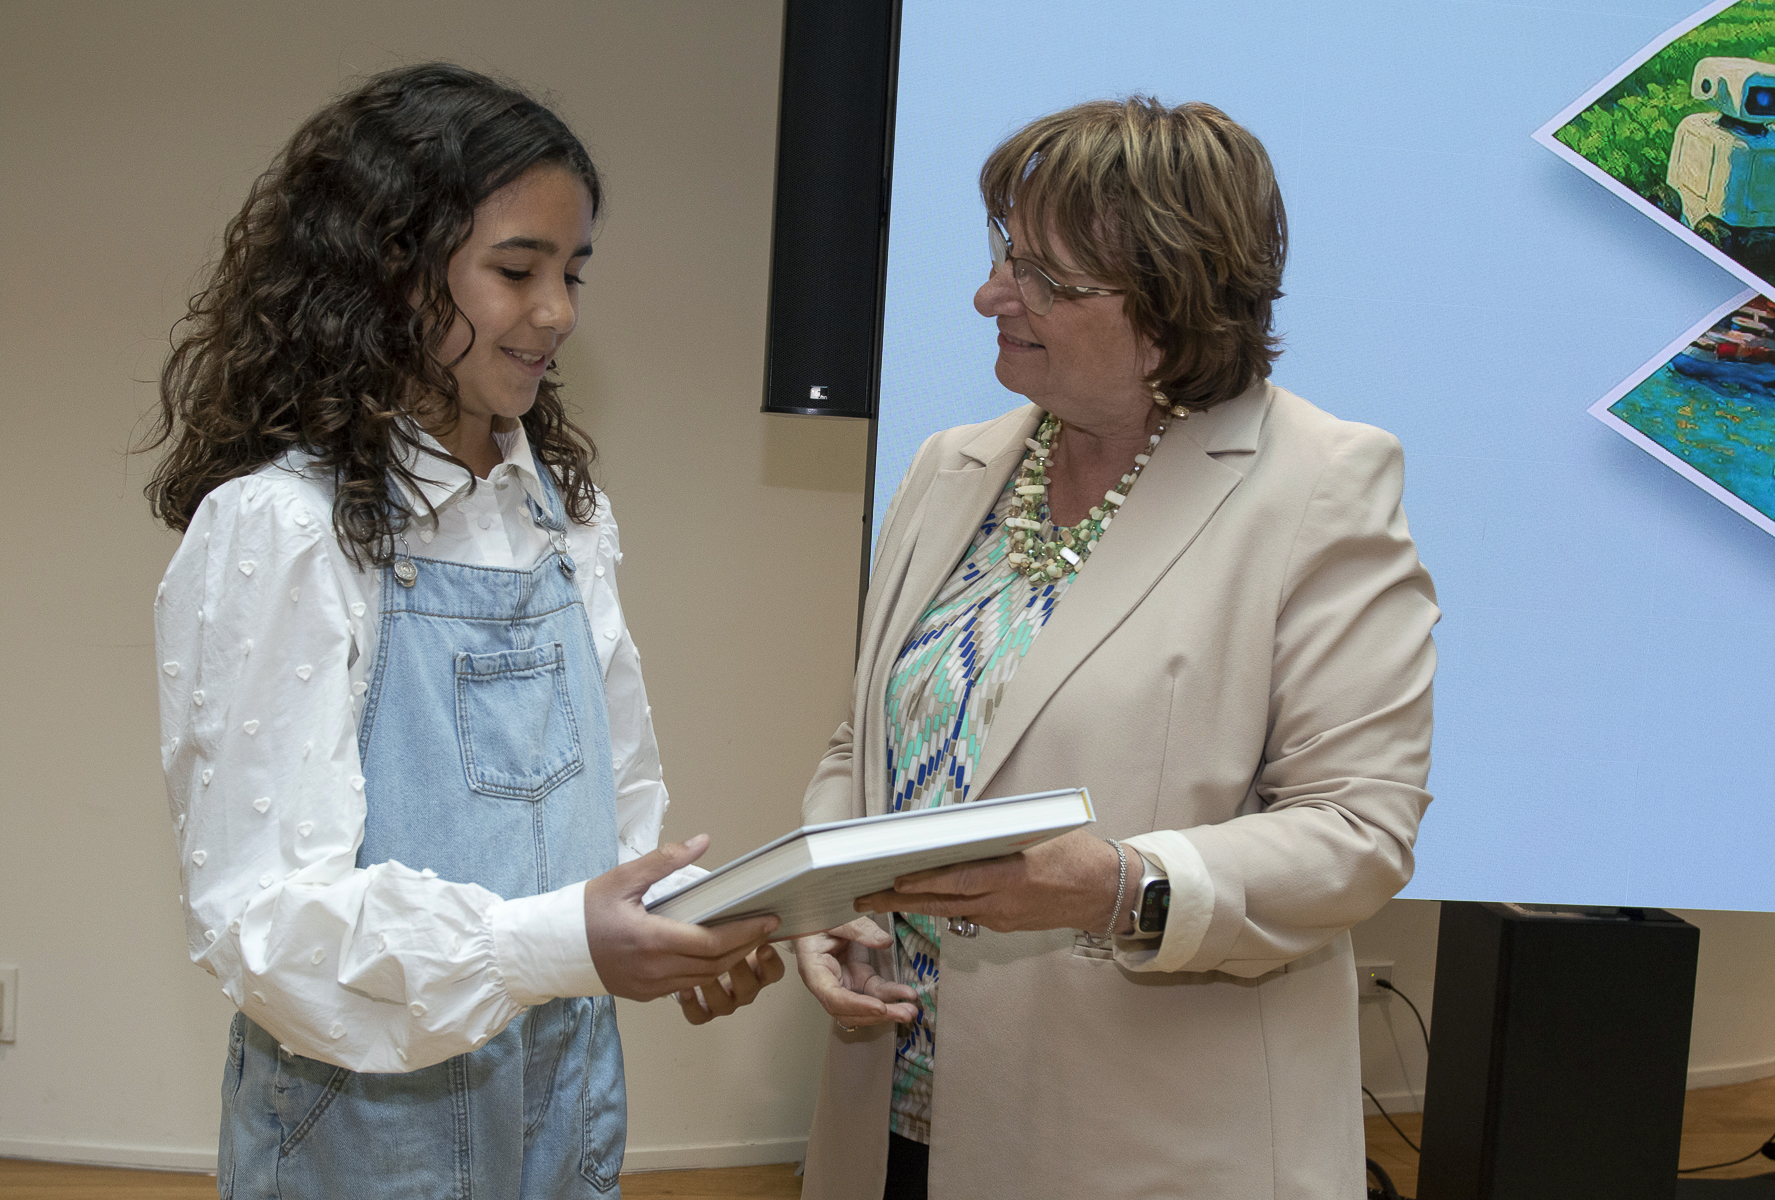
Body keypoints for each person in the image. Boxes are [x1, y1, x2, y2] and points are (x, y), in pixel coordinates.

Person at [146, 63, 782, 1198]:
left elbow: (619, 800)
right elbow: (266, 922)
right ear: (387, 274)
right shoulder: (279, 528)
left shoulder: (568, 518)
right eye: (517, 269)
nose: (559, 314)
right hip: (364, 1133)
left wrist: (688, 924)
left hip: (567, 1095)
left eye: (573, 272)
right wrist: (563, 945)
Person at [794, 96, 1438, 1199]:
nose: (992, 296)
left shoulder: (1321, 485)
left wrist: (1124, 885)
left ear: (1174, 302)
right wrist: (830, 904)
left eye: (1046, 278)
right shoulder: (951, 465)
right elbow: (865, 743)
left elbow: (1357, 830)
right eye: (1004, 258)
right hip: (899, 1112)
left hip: (1149, 1144)